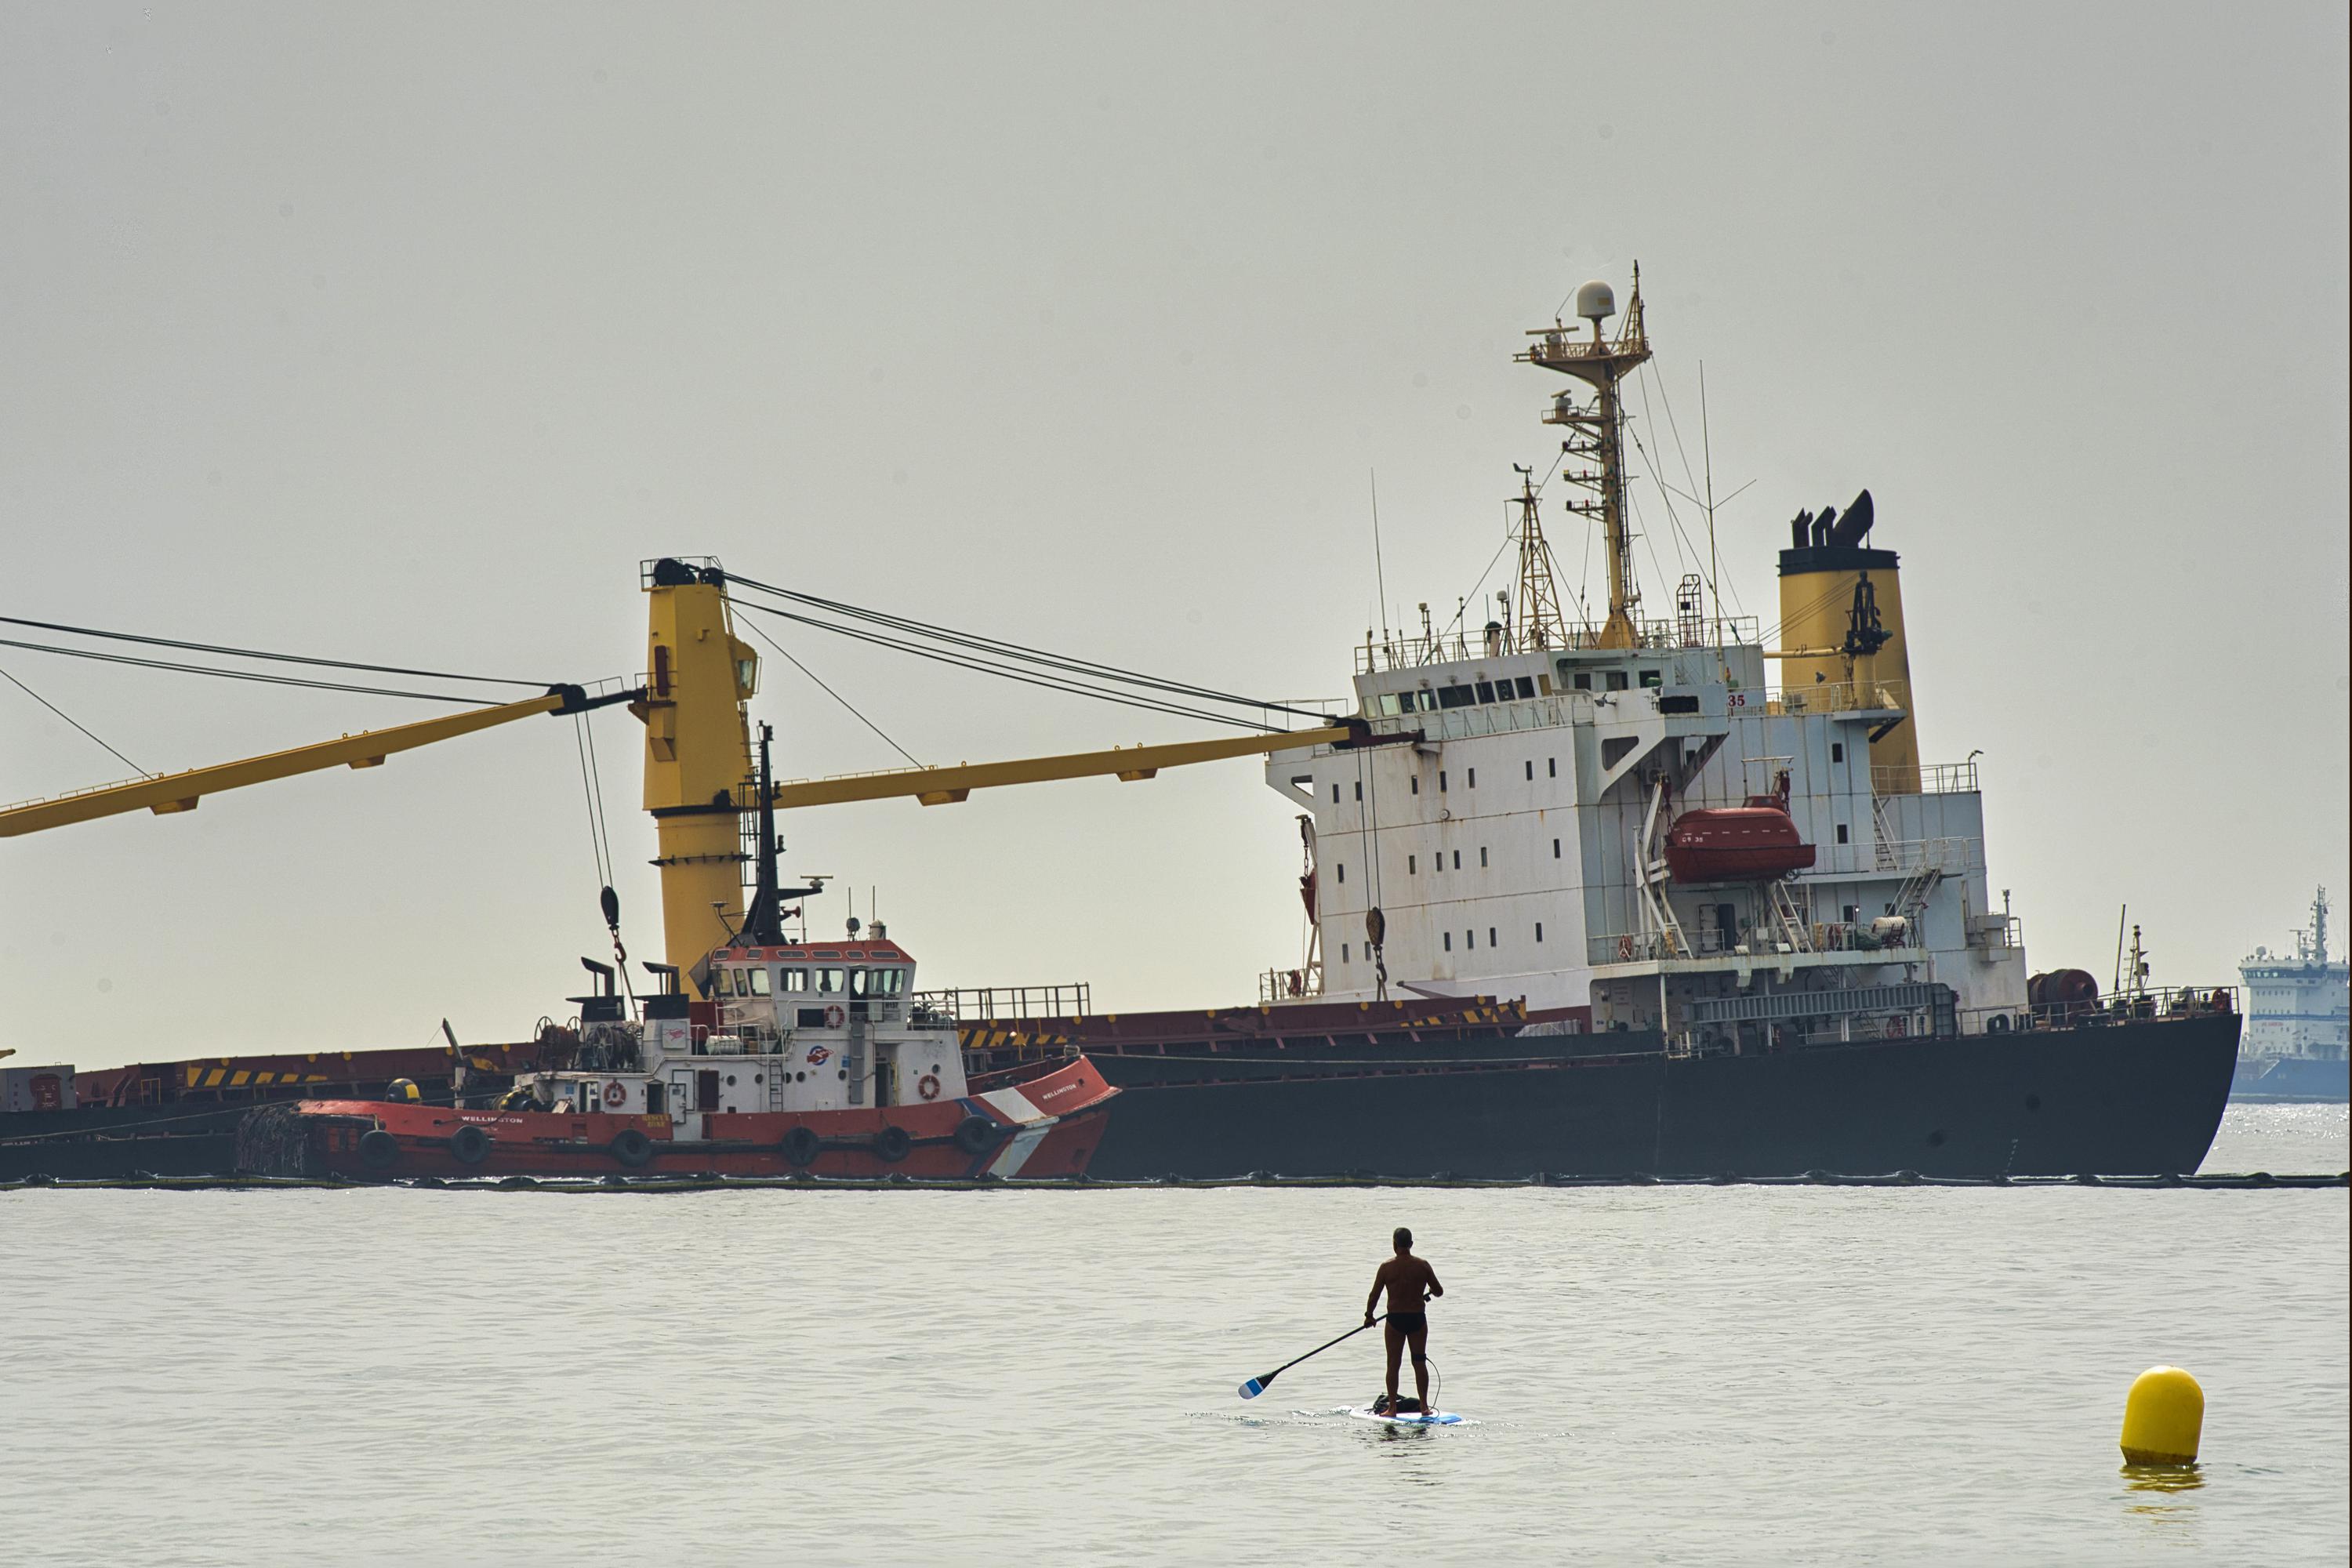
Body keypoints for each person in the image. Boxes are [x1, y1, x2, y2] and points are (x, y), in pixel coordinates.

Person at [1365, 1226, 1443, 1414]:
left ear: (1394, 1245)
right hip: (1417, 1319)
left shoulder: (1386, 1267)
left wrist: (1369, 1316)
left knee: (1393, 1363)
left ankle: (1392, 1408)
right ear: (1411, 1244)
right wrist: (1426, 1294)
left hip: (1395, 1321)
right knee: (1419, 1361)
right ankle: (1424, 1407)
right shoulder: (1423, 1265)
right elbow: (1439, 1291)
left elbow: (1374, 1296)